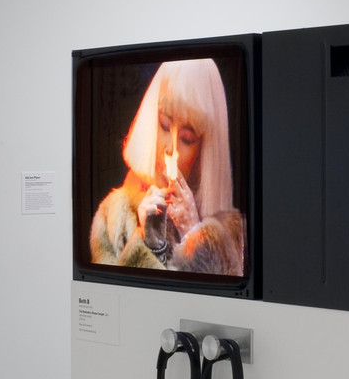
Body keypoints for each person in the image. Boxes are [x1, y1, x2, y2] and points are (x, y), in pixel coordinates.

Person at [88, 59, 244, 274]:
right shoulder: (115, 214)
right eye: (164, 125)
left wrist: (193, 232)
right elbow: (113, 300)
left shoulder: (229, 232)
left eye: (187, 139)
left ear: (204, 150)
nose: (171, 149)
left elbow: (224, 303)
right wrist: (149, 243)